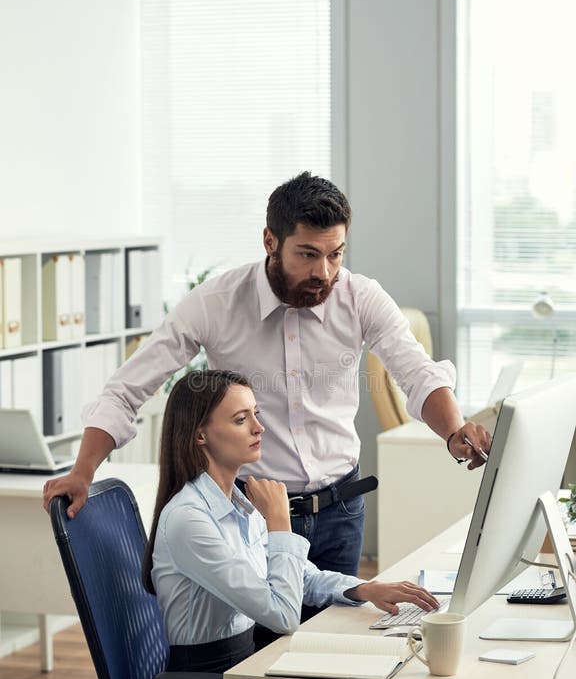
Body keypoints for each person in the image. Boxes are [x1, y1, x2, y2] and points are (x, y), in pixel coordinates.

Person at [43, 171, 490, 578]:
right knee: (263, 640)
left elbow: (417, 372)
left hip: (341, 511)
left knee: (331, 636)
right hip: (248, 514)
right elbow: (126, 389)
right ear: (270, 241)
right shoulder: (215, 303)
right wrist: (83, 471)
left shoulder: (360, 297)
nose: (323, 272)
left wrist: (454, 430)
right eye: (308, 254)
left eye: (335, 254)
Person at [145, 369, 440, 679]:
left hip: (248, 678)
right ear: (200, 434)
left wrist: (361, 587)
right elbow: (282, 615)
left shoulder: (238, 500)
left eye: (255, 414)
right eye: (241, 419)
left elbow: (296, 572)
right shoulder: (190, 520)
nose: (259, 428)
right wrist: (280, 522)